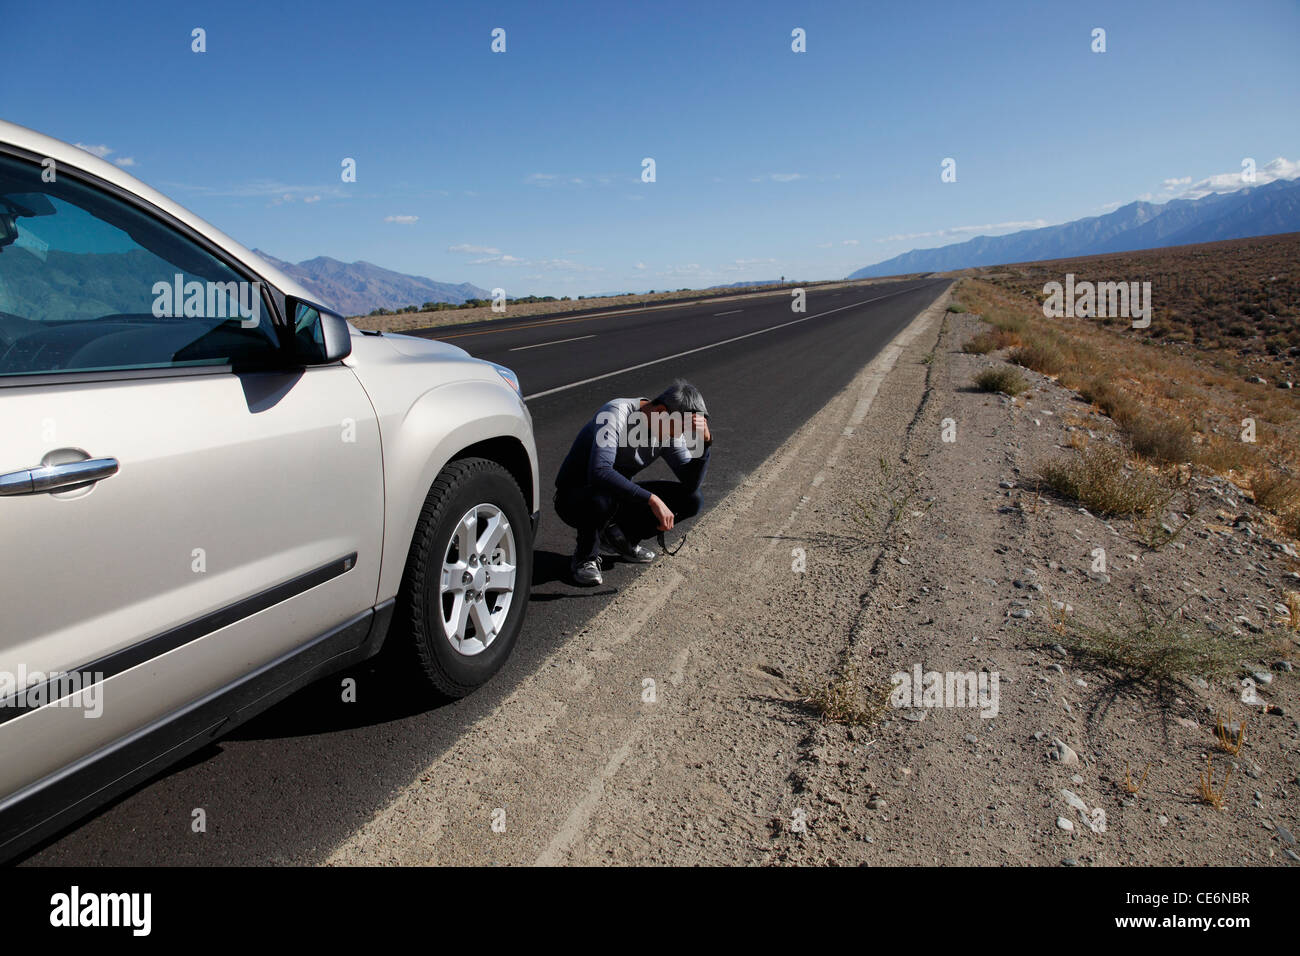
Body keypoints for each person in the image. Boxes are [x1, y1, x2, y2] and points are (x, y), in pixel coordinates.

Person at [554, 379, 712, 585]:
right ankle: (585, 557)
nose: (681, 435)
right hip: (576, 497)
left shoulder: (667, 429)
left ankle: (620, 539)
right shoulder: (614, 413)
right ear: (661, 412)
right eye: (681, 428)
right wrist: (652, 499)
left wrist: (706, 444)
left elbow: (691, 484)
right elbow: (599, 472)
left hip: (615, 498)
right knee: (602, 495)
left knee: (692, 499)